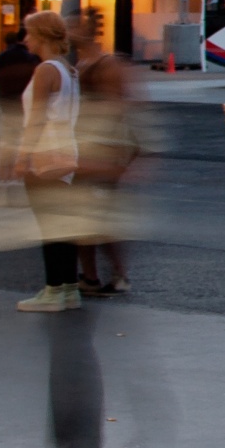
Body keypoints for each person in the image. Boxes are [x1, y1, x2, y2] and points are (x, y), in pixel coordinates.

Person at [13, 10, 89, 314]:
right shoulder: (69, 70)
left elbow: (36, 120)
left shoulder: (45, 70)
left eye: (29, 33)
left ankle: (53, 289)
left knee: (47, 226)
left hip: (44, 154)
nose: (25, 39)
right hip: (66, 151)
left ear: (42, 36)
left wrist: (23, 156)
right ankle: (69, 288)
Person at [72, 41, 146, 296]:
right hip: (102, 154)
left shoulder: (103, 68)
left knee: (92, 220)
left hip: (98, 155)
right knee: (95, 218)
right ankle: (106, 273)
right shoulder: (91, 66)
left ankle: (102, 274)